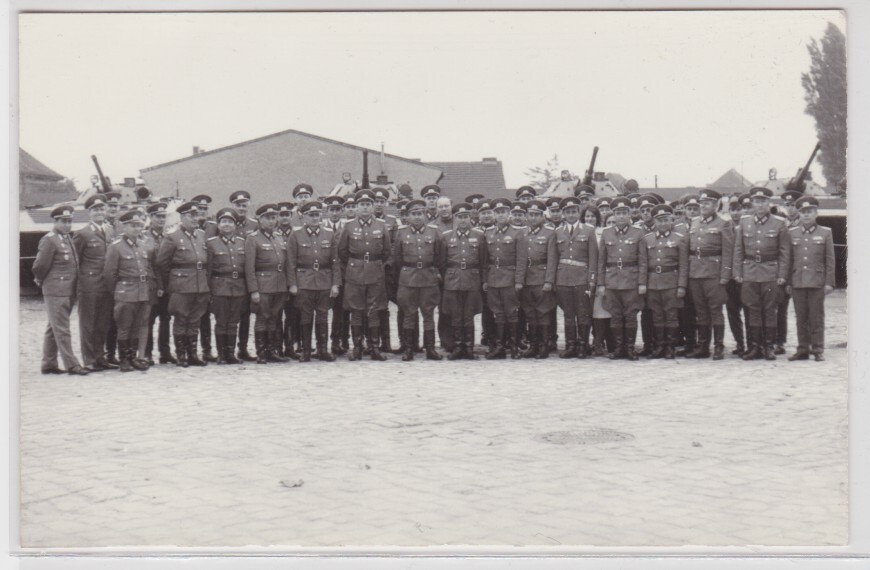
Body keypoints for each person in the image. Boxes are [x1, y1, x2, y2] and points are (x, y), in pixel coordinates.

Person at [733, 187, 789, 360]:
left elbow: (784, 252)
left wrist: (782, 274)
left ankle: (769, 347)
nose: (760, 205)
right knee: (753, 309)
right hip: (749, 271)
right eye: (757, 201)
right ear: (752, 203)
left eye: (763, 201)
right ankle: (755, 347)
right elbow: (738, 249)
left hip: (770, 271)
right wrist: (737, 271)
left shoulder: (779, 223)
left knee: (769, 310)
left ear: (769, 203)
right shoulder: (744, 222)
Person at [337, 189, 393, 361]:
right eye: (362, 204)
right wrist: (357, 263)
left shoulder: (381, 225)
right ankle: (357, 348)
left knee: (374, 310)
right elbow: (342, 251)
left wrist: (373, 263)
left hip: (375, 272)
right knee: (356, 310)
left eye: (368, 204)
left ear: (373, 206)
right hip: (354, 272)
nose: (365, 208)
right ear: (357, 207)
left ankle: (374, 347)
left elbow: (386, 251)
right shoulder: (348, 226)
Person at [33, 206, 89, 375]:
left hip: (67, 290)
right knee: (62, 329)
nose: (67, 225)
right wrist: (41, 280)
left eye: (69, 221)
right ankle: (72, 364)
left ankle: (48, 363)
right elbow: (40, 266)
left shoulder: (66, 238)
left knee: (54, 327)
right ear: (55, 222)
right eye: (63, 221)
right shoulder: (50, 240)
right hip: (56, 290)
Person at [156, 201, 211, 367]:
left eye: (196, 215)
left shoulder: (201, 235)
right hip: (181, 285)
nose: (195, 219)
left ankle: (192, 354)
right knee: (181, 319)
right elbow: (162, 263)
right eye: (190, 215)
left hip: (200, 284)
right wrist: (173, 282)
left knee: (194, 320)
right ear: (182, 217)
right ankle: (181, 355)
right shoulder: (172, 237)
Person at [287, 201, 341, 362]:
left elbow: (335, 261)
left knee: (323, 316)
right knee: (305, 317)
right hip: (304, 281)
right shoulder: (295, 235)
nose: (314, 218)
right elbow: (290, 262)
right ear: (304, 217)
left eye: (317, 215)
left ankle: (322, 349)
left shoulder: (329, 234)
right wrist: (293, 284)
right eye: (311, 215)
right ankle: (305, 351)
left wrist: (335, 283)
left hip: (324, 280)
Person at [103, 210, 156, 372]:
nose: (137, 229)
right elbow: (109, 274)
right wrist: (117, 292)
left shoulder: (142, 245)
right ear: (124, 226)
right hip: (125, 292)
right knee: (124, 327)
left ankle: (133, 357)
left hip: (142, 291)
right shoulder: (116, 247)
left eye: (139, 225)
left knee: (136, 326)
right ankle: (124, 359)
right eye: (133, 225)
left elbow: (146, 268)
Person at [596, 196, 648, 360]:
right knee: (616, 315)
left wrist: (641, 283)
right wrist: (601, 284)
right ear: (613, 214)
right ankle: (619, 349)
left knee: (631, 315)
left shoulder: (638, 233)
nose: (621, 216)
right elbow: (601, 262)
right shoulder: (606, 233)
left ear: (630, 214)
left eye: (624, 212)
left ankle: (630, 348)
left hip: (631, 281)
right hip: (612, 281)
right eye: (618, 213)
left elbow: (643, 261)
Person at [392, 199, 444, 361]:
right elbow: (397, 259)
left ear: (426, 214)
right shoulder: (401, 232)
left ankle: (430, 349)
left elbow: (440, 257)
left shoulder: (434, 232)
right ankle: (409, 349)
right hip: (408, 279)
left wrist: (435, 272)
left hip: (428, 278)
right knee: (409, 313)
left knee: (428, 314)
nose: (417, 217)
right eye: (413, 214)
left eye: (420, 213)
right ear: (407, 216)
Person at [786, 196, 835, 362]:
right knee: (801, 317)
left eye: (810, 212)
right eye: (803, 212)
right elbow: (788, 260)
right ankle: (803, 348)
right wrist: (788, 281)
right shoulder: (792, 233)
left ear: (816, 213)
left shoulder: (825, 232)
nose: (806, 215)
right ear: (799, 214)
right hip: (797, 281)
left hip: (817, 281)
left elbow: (830, 259)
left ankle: (818, 348)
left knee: (816, 316)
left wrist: (829, 282)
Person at [686, 189, 734, 360]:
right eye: (702, 203)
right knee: (701, 311)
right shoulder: (694, 222)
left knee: (715, 310)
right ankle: (703, 346)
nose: (703, 206)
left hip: (714, 273)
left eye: (707, 203)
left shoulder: (724, 224)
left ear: (715, 205)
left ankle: (719, 346)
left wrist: (725, 275)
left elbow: (728, 252)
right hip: (695, 272)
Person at [71, 195, 116, 371]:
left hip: (107, 285)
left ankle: (100, 357)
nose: (99, 212)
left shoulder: (111, 231)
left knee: (103, 323)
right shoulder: (82, 234)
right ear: (89, 212)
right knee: (88, 323)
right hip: (89, 284)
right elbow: (76, 261)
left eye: (102, 209)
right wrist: (77, 286)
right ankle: (89, 359)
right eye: (95, 210)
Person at [439, 202, 487, 360]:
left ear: (470, 218)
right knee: (455, 315)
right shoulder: (446, 236)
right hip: (452, 280)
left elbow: (484, 262)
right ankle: (458, 347)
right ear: (454, 218)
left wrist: (483, 281)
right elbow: (442, 262)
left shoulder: (479, 236)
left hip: (472, 279)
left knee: (469, 315)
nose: (463, 220)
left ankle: (469, 348)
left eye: (465, 216)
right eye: (459, 217)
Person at [553, 197, 599, 358]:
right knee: (568, 314)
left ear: (579, 213)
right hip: (563, 278)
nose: (571, 215)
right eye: (567, 212)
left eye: (574, 211)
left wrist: (592, 278)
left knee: (583, 313)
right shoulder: (558, 232)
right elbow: (554, 258)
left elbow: (593, 257)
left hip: (582, 277)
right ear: (563, 214)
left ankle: (583, 345)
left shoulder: (588, 230)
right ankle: (570, 345)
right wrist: (553, 280)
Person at [482, 198, 527, 359]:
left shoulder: (517, 233)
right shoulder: (488, 233)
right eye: (498, 212)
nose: (501, 215)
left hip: (510, 277)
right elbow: (485, 260)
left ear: (509, 214)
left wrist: (519, 280)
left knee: (512, 312)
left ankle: (514, 347)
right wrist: (485, 280)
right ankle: (500, 347)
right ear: (494, 214)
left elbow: (522, 259)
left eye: (504, 212)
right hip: (494, 277)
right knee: (497, 313)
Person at [245, 203, 290, 364]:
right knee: (262, 318)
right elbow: (249, 267)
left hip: (279, 284)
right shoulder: (253, 238)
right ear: (259, 219)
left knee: (274, 318)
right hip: (263, 284)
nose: (272, 221)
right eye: (268, 218)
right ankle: (261, 352)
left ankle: (272, 351)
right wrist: (254, 290)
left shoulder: (278, 237)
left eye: (274, 218)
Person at [642, 204, 689, 359]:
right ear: (655, 221)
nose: (663, 223)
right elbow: (644, 263)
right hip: (653, 283)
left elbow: (683, 264)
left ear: (671, 220)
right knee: (656, 315)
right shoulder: (647, 239)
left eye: (666, 220)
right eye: (659, 220)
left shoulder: (679, 239)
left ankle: (670, 347)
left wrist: (681, 285)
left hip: (671, 282)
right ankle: (659, 346)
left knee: (671, 315)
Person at [205, 208, 247, 364]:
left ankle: (230, 353)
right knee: (222, 321)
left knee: (234, 321)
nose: (227, 225)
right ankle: (222, 354)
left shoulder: (243, 242)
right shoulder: (211, 243)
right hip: (219, 287)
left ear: (235, 225)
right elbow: (208, 270)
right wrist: (208, 291)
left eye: (230, 222)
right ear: (218, 224)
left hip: (238, 287)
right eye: (224, 222)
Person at [518, 199, 557, 358]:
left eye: (536, 215)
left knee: (542, 312)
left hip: (541, 278)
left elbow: (552, 259)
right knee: (529, 312)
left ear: (542, 216)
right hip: (526, 278)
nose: (533, 218)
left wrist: (549, 281)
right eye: (531, 214)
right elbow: (519, 259)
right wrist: (519, 280)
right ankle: (533, 345)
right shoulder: (522, 233)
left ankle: (543, 345)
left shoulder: (549, 233)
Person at [226, 190, 259, 361]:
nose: (241, 208)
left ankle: (243, 348)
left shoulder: (254, 225)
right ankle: (225, 349)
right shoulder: (224, 223)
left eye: (244, 205)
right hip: (230, 276)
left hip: (248, 276)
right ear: (232, 206)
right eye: (238, 205)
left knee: (245, 314)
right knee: (230, 313)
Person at [141, 202, 175, 364]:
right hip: (151, 284)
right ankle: (147, 353)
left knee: (166, 318)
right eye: (158, 216)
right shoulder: (143, 237)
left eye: (163, 217)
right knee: (148, 318)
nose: (161, 220)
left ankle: (165, 352)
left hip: (168, 284)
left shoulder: (169, 236)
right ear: (150, 217)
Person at [775, 189, 804, 355]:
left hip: (800, 272)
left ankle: (806, 343)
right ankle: (780, 342)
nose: (790, 209)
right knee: (780, 309)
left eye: (793, 205)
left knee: (803, 311)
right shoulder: (780, 223)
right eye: (787, 205)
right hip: (784, 271)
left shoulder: (805, 223)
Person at [373, 187, 400, 353]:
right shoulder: (364, 220)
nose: (378, 205)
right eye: (376, 201)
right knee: (373, 305)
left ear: (386, 203)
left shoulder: (392, 221)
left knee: (386, 306)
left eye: (381, 202)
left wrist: (388, 262)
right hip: (371, 269)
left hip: (388, 271)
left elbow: (396, 245)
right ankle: (373, 342)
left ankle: (387, 342)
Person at [322, 196, 348, 355]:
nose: (335, 213)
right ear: (327, 211)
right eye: (332, 210)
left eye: (338, 209)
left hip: (343, 275)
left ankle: (338, 341)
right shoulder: (320, 227)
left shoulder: (347, 228)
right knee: (322, 310)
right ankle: (321, 343)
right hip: (324, 275)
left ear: (342, 211)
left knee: (341, 311)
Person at [275, 202, 301, 360]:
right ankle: (277, 346)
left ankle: (290, 346)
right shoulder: (272, 233)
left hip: (294, 279)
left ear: (291, 216)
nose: (284, 218)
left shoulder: (297, 234)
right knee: (276, 314)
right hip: (277, 280)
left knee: (292, 315)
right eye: (281, 215)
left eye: (287, 215)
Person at [725, 194, 750, 354]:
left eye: (738, 210)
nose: (736, 213)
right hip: (729, 277)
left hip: (746, 274)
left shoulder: (749, 226)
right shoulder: (725, 227)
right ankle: (739, 343)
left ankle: (752, 343)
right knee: (732, 312)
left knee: (749, 310)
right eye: (733, 210)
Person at [102, 191, 122, 365]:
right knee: (103, 318)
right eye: (110, 206)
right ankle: (99, 354)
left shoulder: (122, 226)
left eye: (116, 206)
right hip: (103, 279)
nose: (113, 209)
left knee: (116, 319)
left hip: (121, 279)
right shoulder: (101, 226)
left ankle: (111, 354)